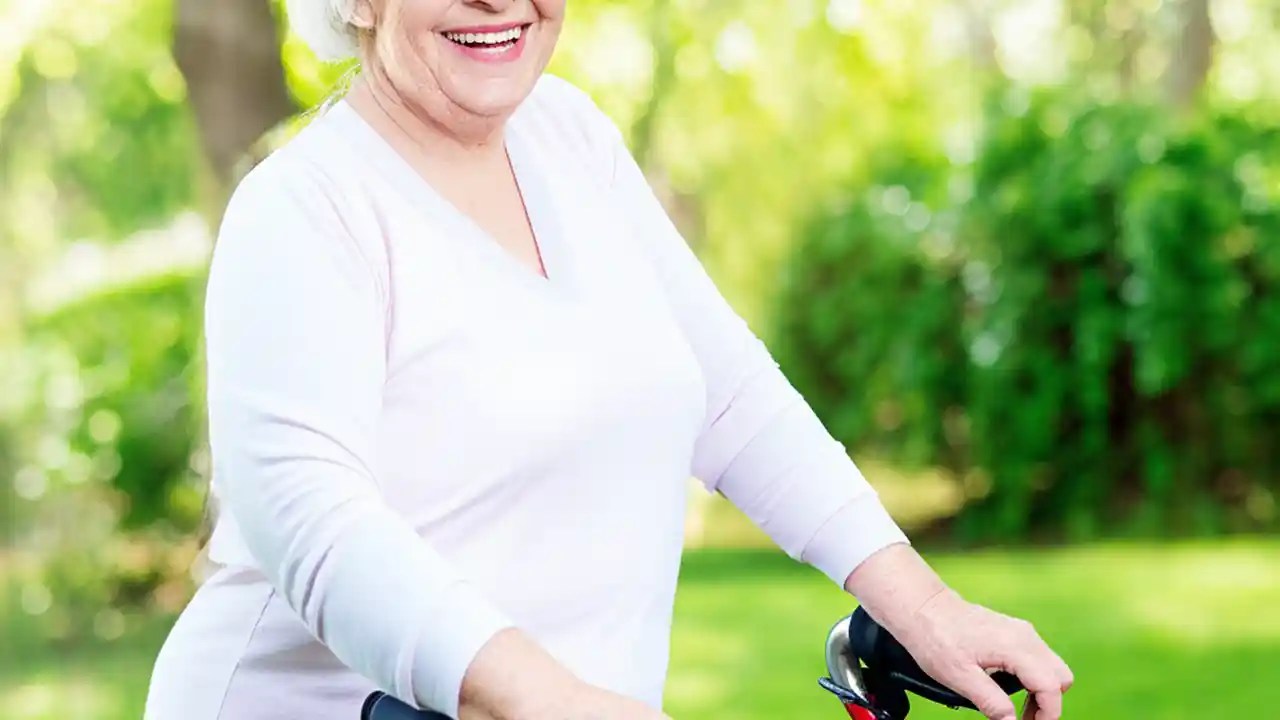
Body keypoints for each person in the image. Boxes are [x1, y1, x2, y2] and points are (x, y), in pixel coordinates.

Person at [143, 1, 1074, 719]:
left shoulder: (568, 136)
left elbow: (729, 398)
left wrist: (924, 607)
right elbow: (317, 527)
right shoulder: (305, 209)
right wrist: (550, 696)